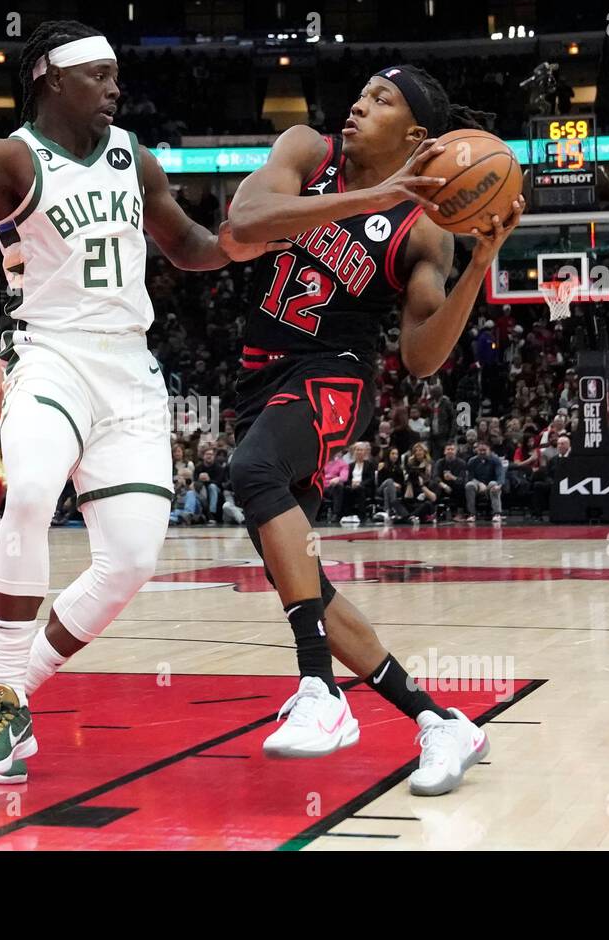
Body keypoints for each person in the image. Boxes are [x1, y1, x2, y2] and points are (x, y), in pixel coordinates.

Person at [0, 23, 280, 779]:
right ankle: (7, 706)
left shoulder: (133, 155)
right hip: (52, 358)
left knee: (133, 556)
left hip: (130, 371)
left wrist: (241, 244)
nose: (114, 87)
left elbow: (190, 245)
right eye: (99, 75)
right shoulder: (14, 157)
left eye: (114, 76)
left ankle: (10, 689)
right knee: (32, 491)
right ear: (51, 79)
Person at [223, 62, 522, 790]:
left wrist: (478, 266)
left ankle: (319, 690)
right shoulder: (305, 150)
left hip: (334, 376)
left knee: (253, 472)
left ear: (417, 136)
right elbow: (242, 228)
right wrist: (369, 195)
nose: (358, 106)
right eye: (361, 94)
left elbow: (421, 357)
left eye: (381, 101)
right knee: (307, 586)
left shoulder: (424, 232)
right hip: (259, 377)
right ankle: (439, 723)